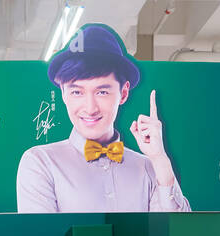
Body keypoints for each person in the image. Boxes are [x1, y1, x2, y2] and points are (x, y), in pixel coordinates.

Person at [16, 23, 190, 214]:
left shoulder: (149, 168)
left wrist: (159, 159)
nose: (90, 108)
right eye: (77, 92)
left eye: (102, 92)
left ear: (123, 93)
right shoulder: (41, 163)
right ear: (63, 94)